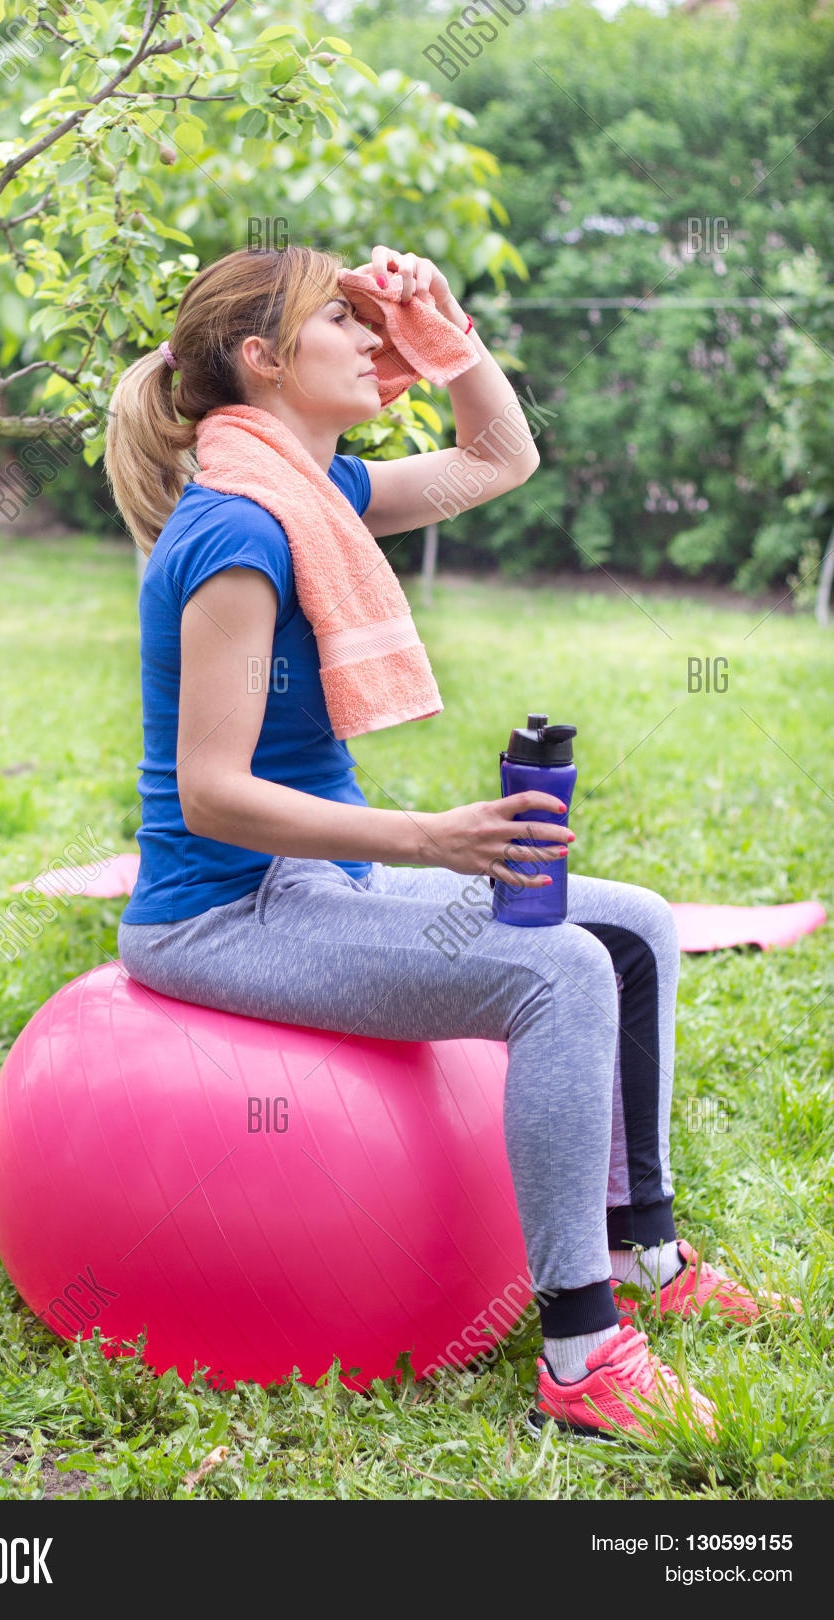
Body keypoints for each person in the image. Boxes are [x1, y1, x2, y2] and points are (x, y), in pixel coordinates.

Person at [104, 242, 792, 1444]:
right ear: (262, 361)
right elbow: (210, 795)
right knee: (559, 967)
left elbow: (501, 458)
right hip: (222, 915)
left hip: (313, 889)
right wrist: (432, 838)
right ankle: (582, 1356)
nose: (373, 344)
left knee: (631, 926)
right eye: (345, 322)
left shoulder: (322, 496)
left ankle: (646, 1254)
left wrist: (445, 335)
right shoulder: (238, 535)